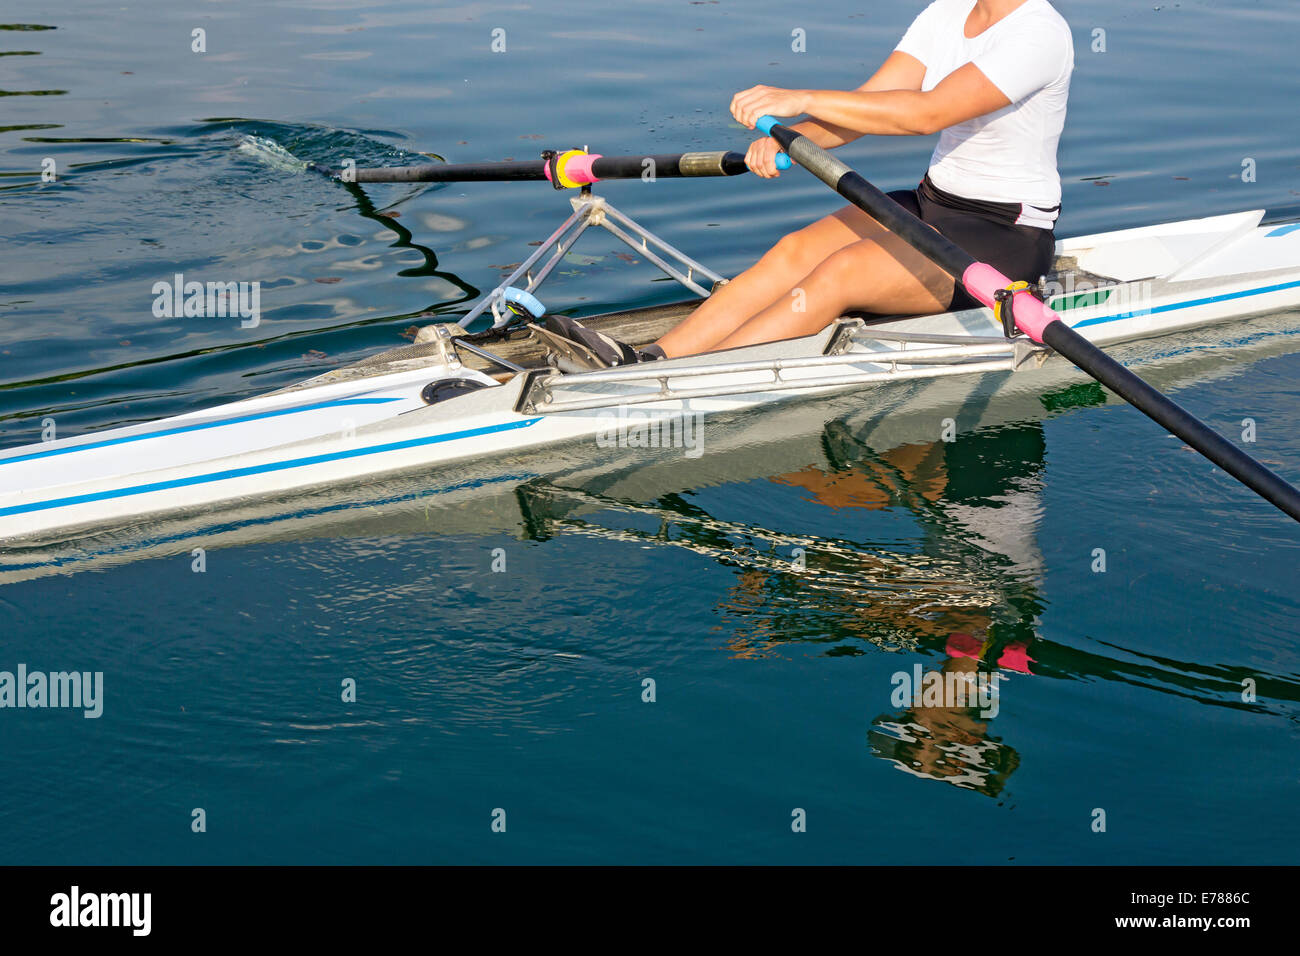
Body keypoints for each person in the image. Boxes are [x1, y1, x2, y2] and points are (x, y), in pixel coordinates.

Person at [548, 0, 1073, 367]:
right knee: (793, 251)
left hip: (1005, 236)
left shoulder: (1038, 34)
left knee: (839, 274)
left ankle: (677, 385)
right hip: (931, 204)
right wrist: (791, 139)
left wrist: (801, 98)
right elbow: (872, 106)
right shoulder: (945, 13)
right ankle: (651, 359)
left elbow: (926, 114)